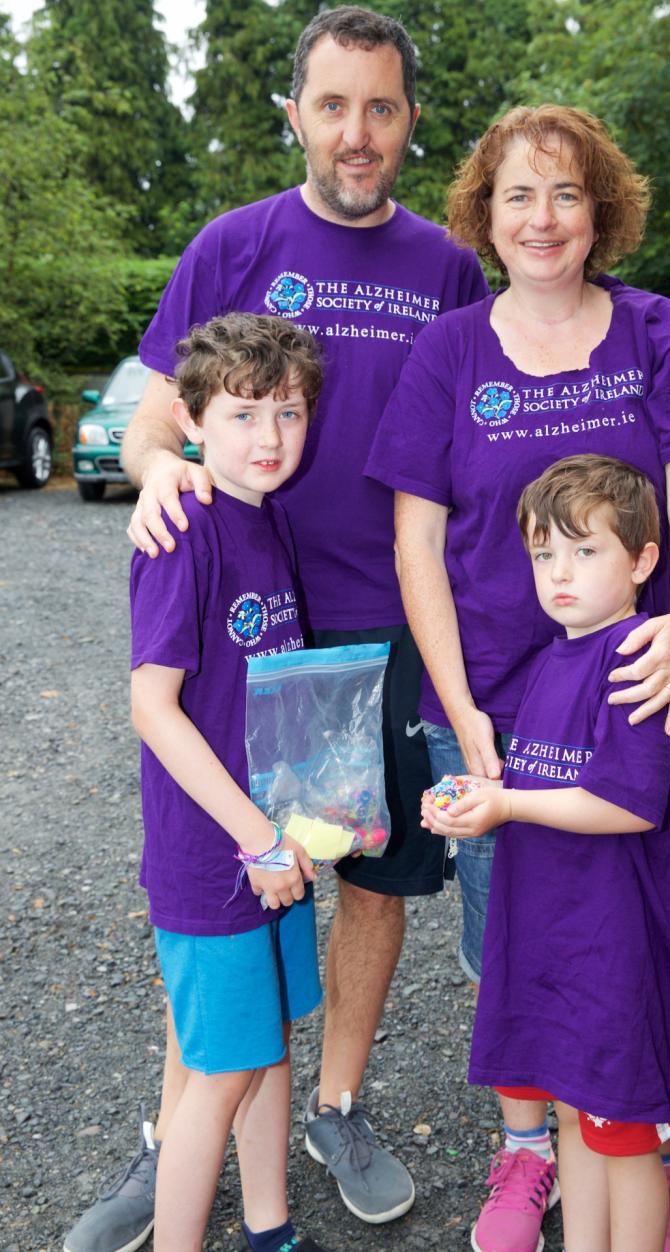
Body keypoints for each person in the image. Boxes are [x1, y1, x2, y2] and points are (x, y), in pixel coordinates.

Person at [64, 8, 488, 1251]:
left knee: (369, 878)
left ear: (409, 122)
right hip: (250, 633)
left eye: (382, 108)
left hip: (390, 626)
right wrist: (155, 469)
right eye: (333, 104)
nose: (357, 132)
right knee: (224, 885)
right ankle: (178, 1129)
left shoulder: (448, 269)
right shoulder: (233, 243)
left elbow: (475, 449)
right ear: (294, 111)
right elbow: (157, 416)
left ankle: (334, 1110)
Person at [365, 104, 670, 1251]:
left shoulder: (656, 332)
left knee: (631, 944)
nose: (542, 218)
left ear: (600, 211)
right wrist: (461, 710)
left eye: (566, 193)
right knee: (518, 944)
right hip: (489, 703)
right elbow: (415, 545)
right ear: (484, 215)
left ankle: (652, 1154)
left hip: (621, 693)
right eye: (517, 195)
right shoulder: (449, 352)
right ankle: (529, 1150)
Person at [82, 313, 326, 1252]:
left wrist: (307, 821)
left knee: (265, 1045)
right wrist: (257, 840)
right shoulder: (182, 531)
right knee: (220, 1074)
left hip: (276, 845)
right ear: (189, 421)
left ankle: (269, 1227)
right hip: (214, 859)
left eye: (289, 413)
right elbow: (153, 708)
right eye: (242, 414)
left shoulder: (271, 519)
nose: (269, 437)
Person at [422, 454, 670, 1252]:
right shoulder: (553, 657)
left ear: (642, 561)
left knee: (623, 1133)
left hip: (616, 951)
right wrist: (475, 798)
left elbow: (626, 803)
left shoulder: (636, 660)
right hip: (557, 939)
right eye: (544, 554)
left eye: (585, 551)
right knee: (575, 1113)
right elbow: (544, 780)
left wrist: (508, 804)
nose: (560, 573)